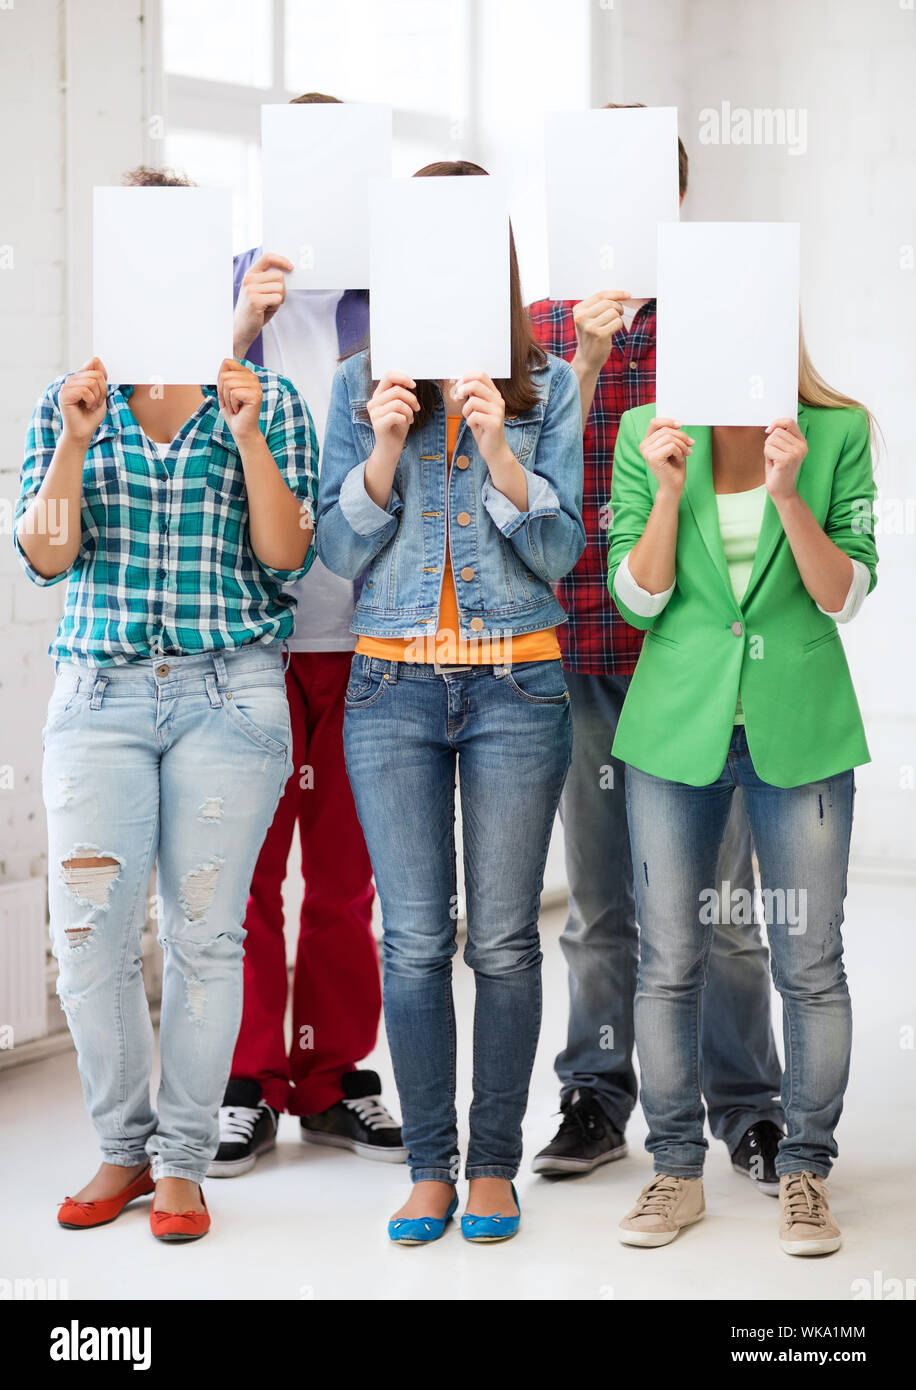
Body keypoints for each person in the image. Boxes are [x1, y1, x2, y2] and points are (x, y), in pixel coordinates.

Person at [15, 168, 318, 1242]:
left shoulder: (266, 399)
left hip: (227, 696)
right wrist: (73, 438)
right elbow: (45, 557)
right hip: (97, 694)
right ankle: (118, 1147)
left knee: (204, 936)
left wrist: (243, 434)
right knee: (90, 937)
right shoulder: (74, 397)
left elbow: (287, 557)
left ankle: (181, 1158)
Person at [317, 159, 585, 1244]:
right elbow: (337, 553)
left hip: (517, 682)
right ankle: (429, 1165)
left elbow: (563, 552)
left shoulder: (548, 385)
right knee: (415, 939)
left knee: (505, 941)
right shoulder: (353, 385)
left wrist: (496, 451)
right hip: (388, 687)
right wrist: (385, 447)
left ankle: (491, 1165)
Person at [527, 104, 785, 1190]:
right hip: (582, 640)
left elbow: (758, 478)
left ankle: (748, 1104)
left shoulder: (719, 316)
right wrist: (581, 356)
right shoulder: (534, 328)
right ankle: (594, 1095)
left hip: (692, 657)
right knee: (600, 903)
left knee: (720, 910)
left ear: (670, 202)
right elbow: (537, 490)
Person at [609, 337, 877, 1254]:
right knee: (669, 957)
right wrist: (672, 491)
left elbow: (841, 596)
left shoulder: (834, 433)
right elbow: (637, 601)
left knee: (807, 961)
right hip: (674, 730)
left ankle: (805, 1169)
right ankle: (674, 1171)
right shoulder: (650, 431)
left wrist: (788, 496)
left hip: (798, 729)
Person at [210, 91, 405, 1177]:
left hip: (366, 632)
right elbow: (171, 432)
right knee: (241, 870)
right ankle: (244, 1079)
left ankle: (329, 1078)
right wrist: (232, 329)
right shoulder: (228, 283)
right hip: (248, 637)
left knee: (344, 881)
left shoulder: (403, 299)